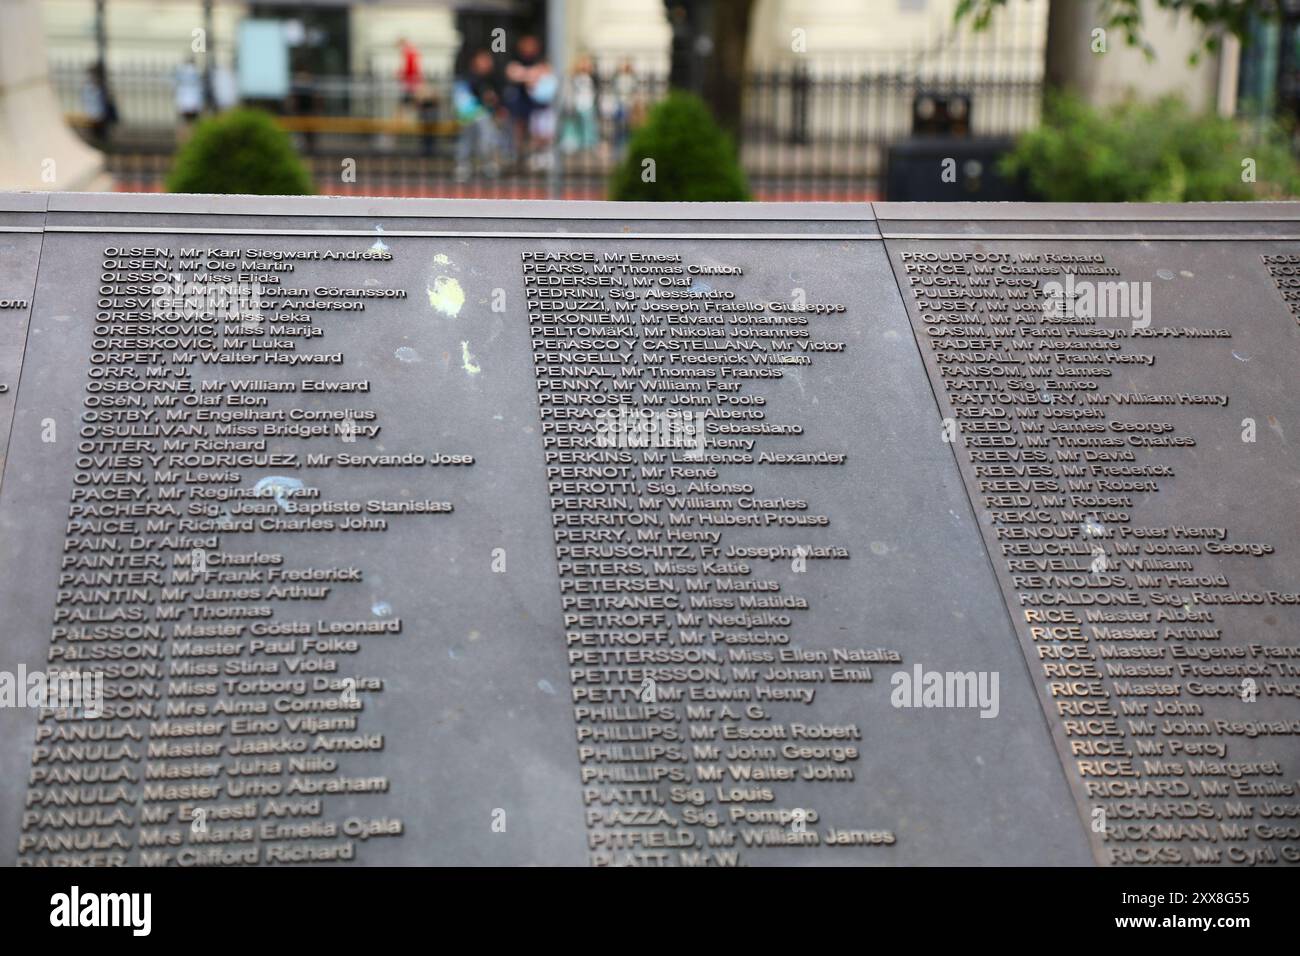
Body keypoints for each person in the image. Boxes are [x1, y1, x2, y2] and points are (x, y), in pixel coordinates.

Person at [452, 49, 502, 179]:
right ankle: (463, 166)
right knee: (468, 140)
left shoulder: (492, 78)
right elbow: (463, 98)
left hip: (483, 114)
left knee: (487, 138)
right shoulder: (468, 77)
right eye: (484, 60)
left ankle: (487, 164)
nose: (487, 63)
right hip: (469, 115)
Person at [504, 35, 543, 164]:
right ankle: (516, 154)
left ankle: (530, 154)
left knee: (534, 128)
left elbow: (540, 74)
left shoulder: (538, 60)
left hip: (534, 100)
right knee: (517, 128)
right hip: (519, 100)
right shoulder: (515, 59)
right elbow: (512, 73)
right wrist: (528, 75)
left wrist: (525, 75)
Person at [561, 55, 599, 156]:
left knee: (589, 125)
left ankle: (588, 145)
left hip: (588, 104)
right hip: (577, 104)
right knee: (575, 125)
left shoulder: (593, 77)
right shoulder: (574, 77)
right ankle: (576, 145)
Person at [81, 63, 116, 144]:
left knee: (101, 134)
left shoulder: (99, 86)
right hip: (95, 114)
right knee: (97, 134)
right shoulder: (92, 86)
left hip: (99, 115)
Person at [175, 56, 204, 130]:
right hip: (193, 101)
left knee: (185, 123)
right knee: (193, 123)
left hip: (185, 101)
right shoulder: (196, 72)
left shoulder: (181, 72)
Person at [397, 37, 422, 111]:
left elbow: (409, 68)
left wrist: (402, 75)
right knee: (411, 101)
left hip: (409, 81)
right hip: (411, 81)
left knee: (408, 101)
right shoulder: (410, 51)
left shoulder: (408, 52)